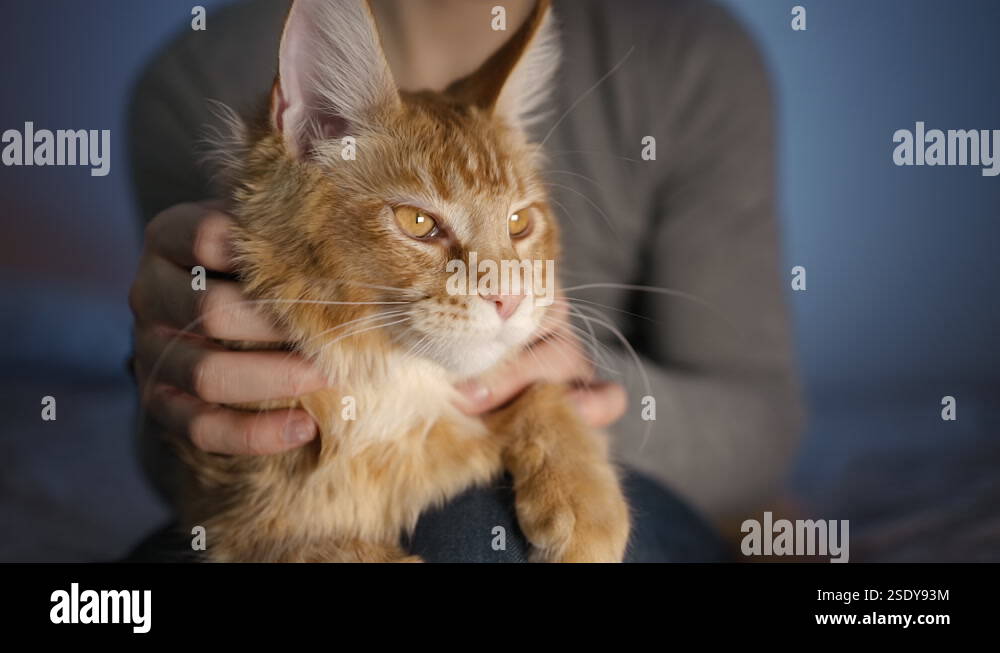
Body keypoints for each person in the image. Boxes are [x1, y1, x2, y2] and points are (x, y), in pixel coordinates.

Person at [126, 0, 802, 562]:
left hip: (628, 487)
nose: (498, 285)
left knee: (476, 528)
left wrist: (567, 398)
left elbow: (763, 422)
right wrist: (167, 376)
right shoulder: (191, 73)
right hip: (295, 479)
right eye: (423, 223)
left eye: (518, 227)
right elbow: (180, 472)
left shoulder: (689, 55)